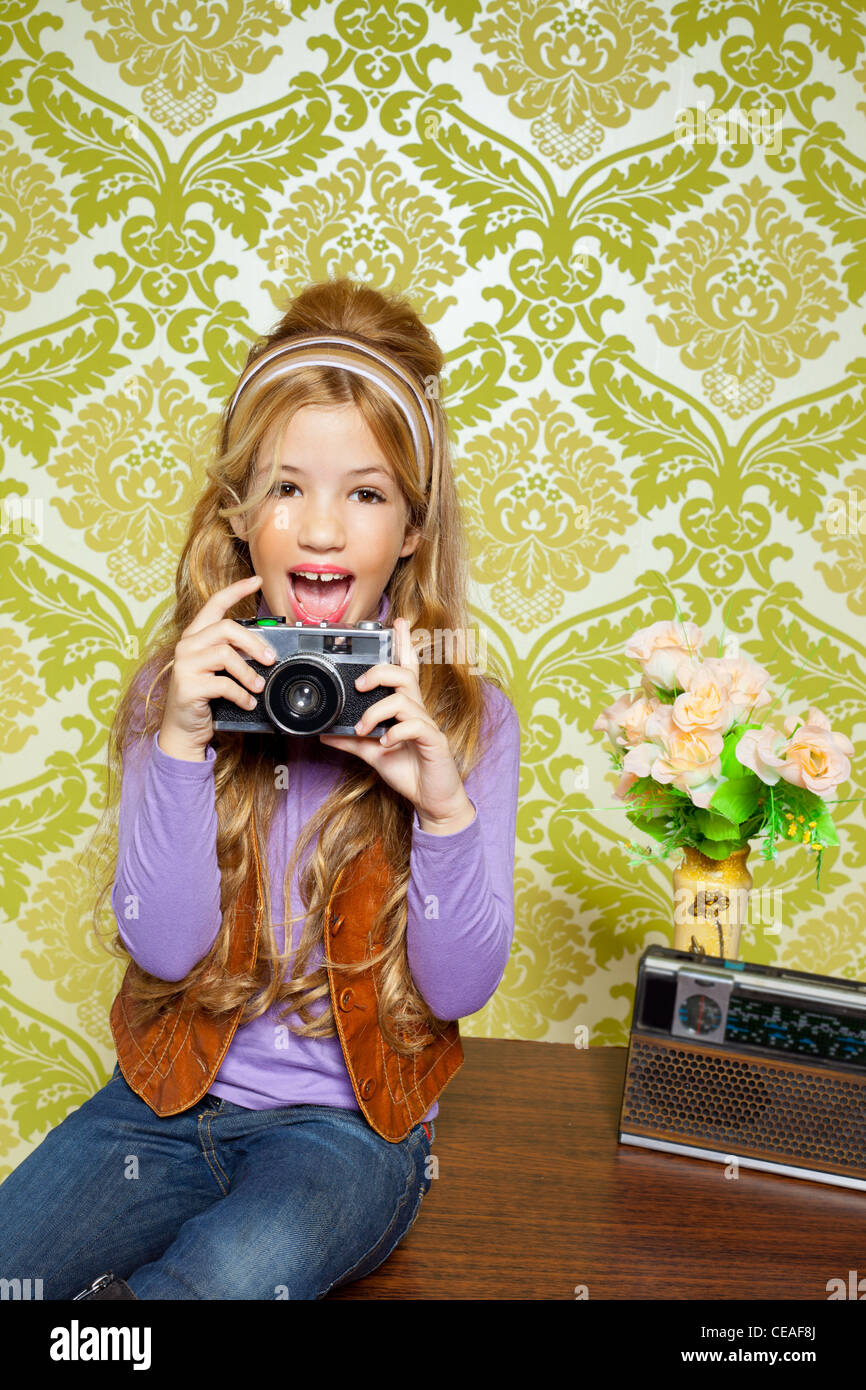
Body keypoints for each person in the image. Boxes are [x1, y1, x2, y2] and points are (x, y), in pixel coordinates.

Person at [0, 276, 521, 1300]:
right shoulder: (177, 688)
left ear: (412, 529)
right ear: (239, 512)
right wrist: (182, 739)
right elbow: (165, 946)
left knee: (220, 1278)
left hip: (348, 1132)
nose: (321, 530)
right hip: (165, 1103)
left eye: (365, 493)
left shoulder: (465, 714)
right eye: (287, 487)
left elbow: (458, 991)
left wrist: (444, 808)